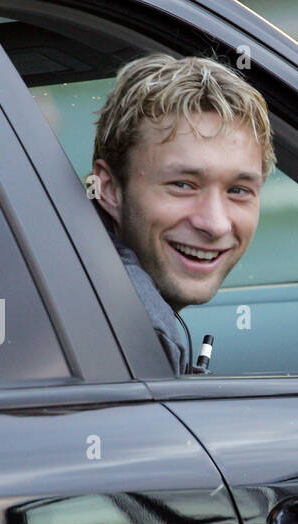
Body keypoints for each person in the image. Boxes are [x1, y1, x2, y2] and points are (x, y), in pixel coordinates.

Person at [89, 54, 275, 373]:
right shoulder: (132, 333)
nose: (215, 224)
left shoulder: (80, 279)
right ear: (109, 188)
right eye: (183, 185)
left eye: (238, 190)